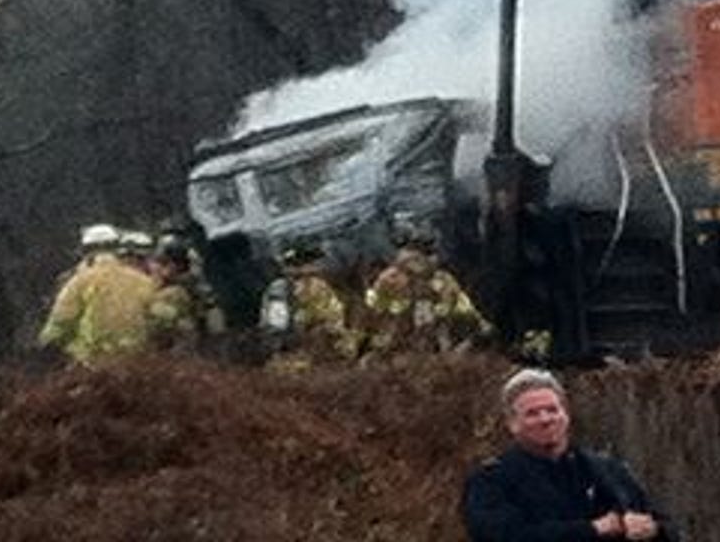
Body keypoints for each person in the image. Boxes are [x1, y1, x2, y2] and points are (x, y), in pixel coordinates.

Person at [462, 368, 676, 541]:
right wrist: (592, 529)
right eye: (532, 414)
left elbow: (663, 524)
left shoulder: (605, 468)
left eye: (552, 409)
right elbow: (505, 536)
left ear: (566, 415)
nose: (546, 419)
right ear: (512, 424)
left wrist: (651, 529)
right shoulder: (492, 480)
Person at [365, 221, 491, 354]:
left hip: (439, 347)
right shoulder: (389, 279)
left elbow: (466, 312)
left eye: (422, 251)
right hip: (397, 346)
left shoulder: (443, 280)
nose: (415, 259)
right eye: (410, 249)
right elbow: (374, 311)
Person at [38, 226, 158, 366]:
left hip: (91, 365)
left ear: (86, 252)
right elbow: (158, 321)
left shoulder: (80, 281)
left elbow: (60, 323)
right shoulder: (145, 282)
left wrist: (45, 346)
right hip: (140, 364)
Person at [259, 243, 356, 366]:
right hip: (301, 353)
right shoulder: (283, 288)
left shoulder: (287, 287)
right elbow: (277, 327)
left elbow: (276, 326)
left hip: (306, 352)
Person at [147, 233, 225, 352]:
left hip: (190, 338)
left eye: (164, 263)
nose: (156, 267)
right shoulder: (177, 282)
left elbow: (212, 317)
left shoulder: (187, 285)